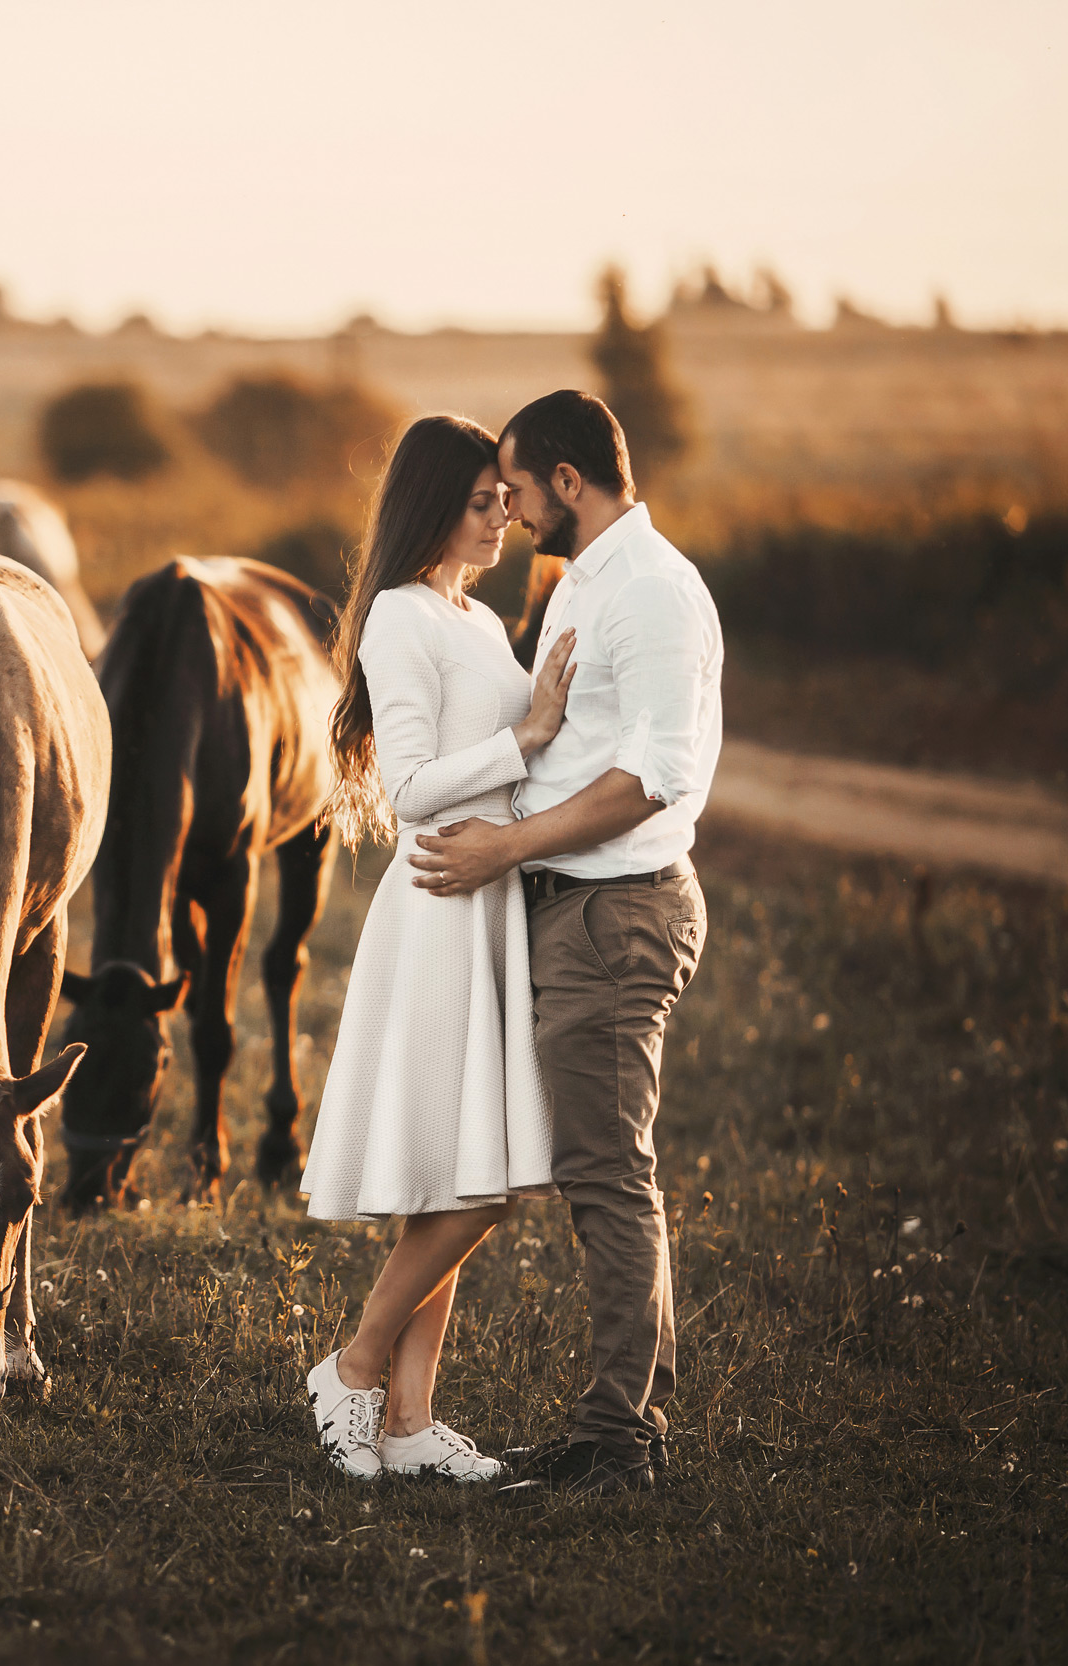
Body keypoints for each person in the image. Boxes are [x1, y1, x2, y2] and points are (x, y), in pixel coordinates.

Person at [408, 390, 723, 1495]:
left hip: (615, 911)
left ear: (569, 482)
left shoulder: (648, 593)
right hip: (573, 908)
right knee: (597, 1172)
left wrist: (509, 847)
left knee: (606, 1175)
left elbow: (650, 778)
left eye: (518, 484)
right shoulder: (585, 580)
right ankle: (619, 1421)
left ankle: (618, 1440)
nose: (508, 504)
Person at [300, 414, 578, 1484]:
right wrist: (530, 735)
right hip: (440, 905)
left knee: (460, 1163)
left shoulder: (474, 620)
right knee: (482, 1183)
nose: (499, 516)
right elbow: (411, 787)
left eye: (501, 499)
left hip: (490, 897)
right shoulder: (399, 620)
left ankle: (411, 1420)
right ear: (428, 506)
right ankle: (355, 1365)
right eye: (476, 502)